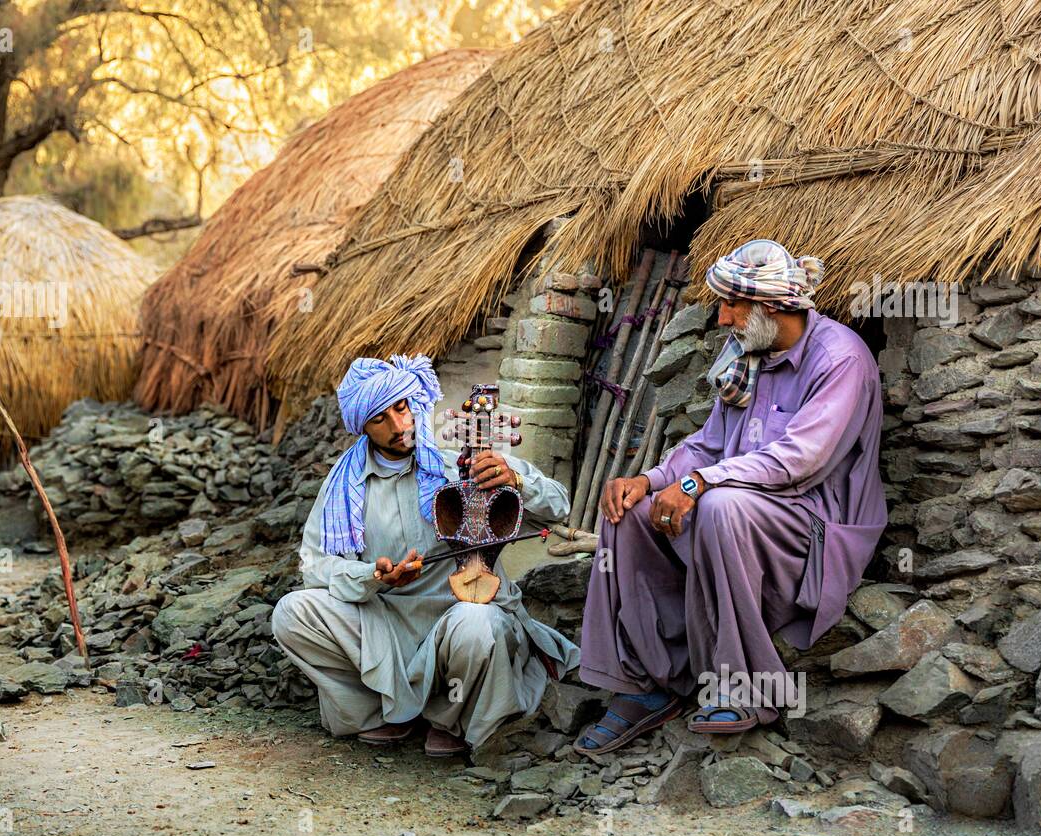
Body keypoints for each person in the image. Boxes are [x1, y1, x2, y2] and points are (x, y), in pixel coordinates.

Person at [575, 239, 887, 754]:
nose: (722, 319)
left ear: (769, 306)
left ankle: (744, 688)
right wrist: (650, 482)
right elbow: (709, 445)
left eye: (732, 305)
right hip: (741, 513)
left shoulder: (841, 359)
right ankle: (647, 684)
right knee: (626, 513)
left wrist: (700, 485)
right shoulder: (749, 357)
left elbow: (799, 461)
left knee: (721, 505)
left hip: (815, 527)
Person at [272, 354, 579, 757]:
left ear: (413, 403)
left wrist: (516, 480)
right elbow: (314, 566)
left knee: (478, 621)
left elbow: (558, 506)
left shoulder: (460, 464)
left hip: (458, 616)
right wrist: (371, 575)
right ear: (362, 427)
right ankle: (381, 714)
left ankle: (450, 717)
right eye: (380, 418)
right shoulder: (343, 487)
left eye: (401, 408)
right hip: (387, 625)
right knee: (292, 612)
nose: (400, 426)